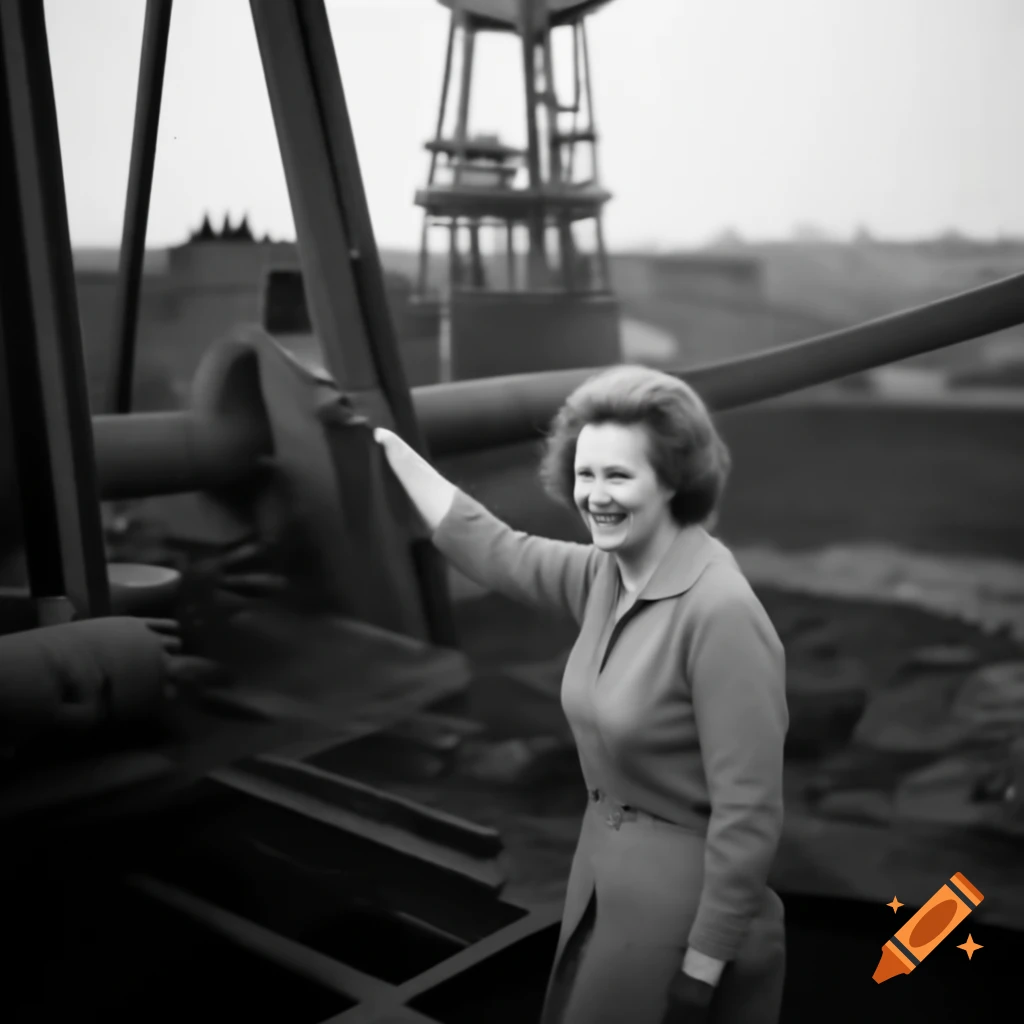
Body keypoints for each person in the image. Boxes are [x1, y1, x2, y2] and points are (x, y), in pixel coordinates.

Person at [374, 364, 788, 1024]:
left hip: (679, 900)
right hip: (601, 871)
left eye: (618, 475)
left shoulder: (722, 614)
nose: (595, 495)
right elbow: (497, 550)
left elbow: (751, 813)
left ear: (675, 480)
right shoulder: (605, 573)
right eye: (585, 473)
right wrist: (388, 450)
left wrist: (703, 963)